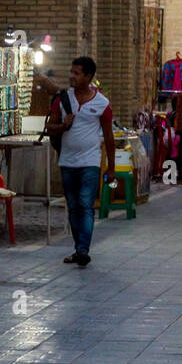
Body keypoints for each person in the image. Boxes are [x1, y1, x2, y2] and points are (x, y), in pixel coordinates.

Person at [42, 57, 114, 268]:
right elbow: (49, 128)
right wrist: (63, 125)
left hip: (90, 162)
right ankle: (78, 248)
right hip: (67, 162)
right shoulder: (63, 99)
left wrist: (111, 168)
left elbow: (109, 137)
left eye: (76, 73)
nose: (71, 76)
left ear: (88, 76)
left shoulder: (102, 103)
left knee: (86, 204)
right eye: (71, 72)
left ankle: (83, 249)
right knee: (73, 207)